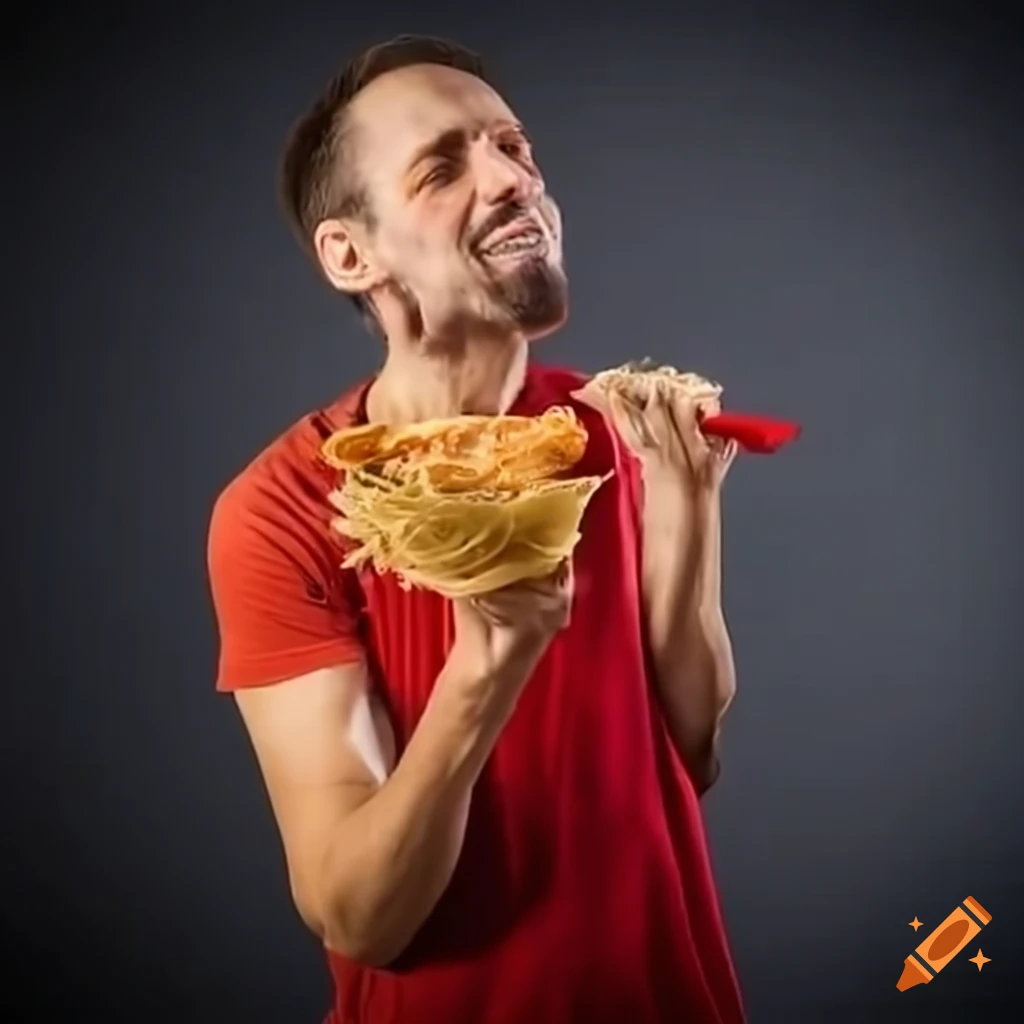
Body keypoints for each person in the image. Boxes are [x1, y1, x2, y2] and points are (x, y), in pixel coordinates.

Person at [207, 34, 746, 1024]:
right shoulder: (284, 509)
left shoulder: (616, 424)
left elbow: (691, 752)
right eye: (443, 167)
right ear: (350, 253)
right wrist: (485, 669)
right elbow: (357, 912)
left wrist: (686, 502)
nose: (511, 180)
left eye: (513, 146)